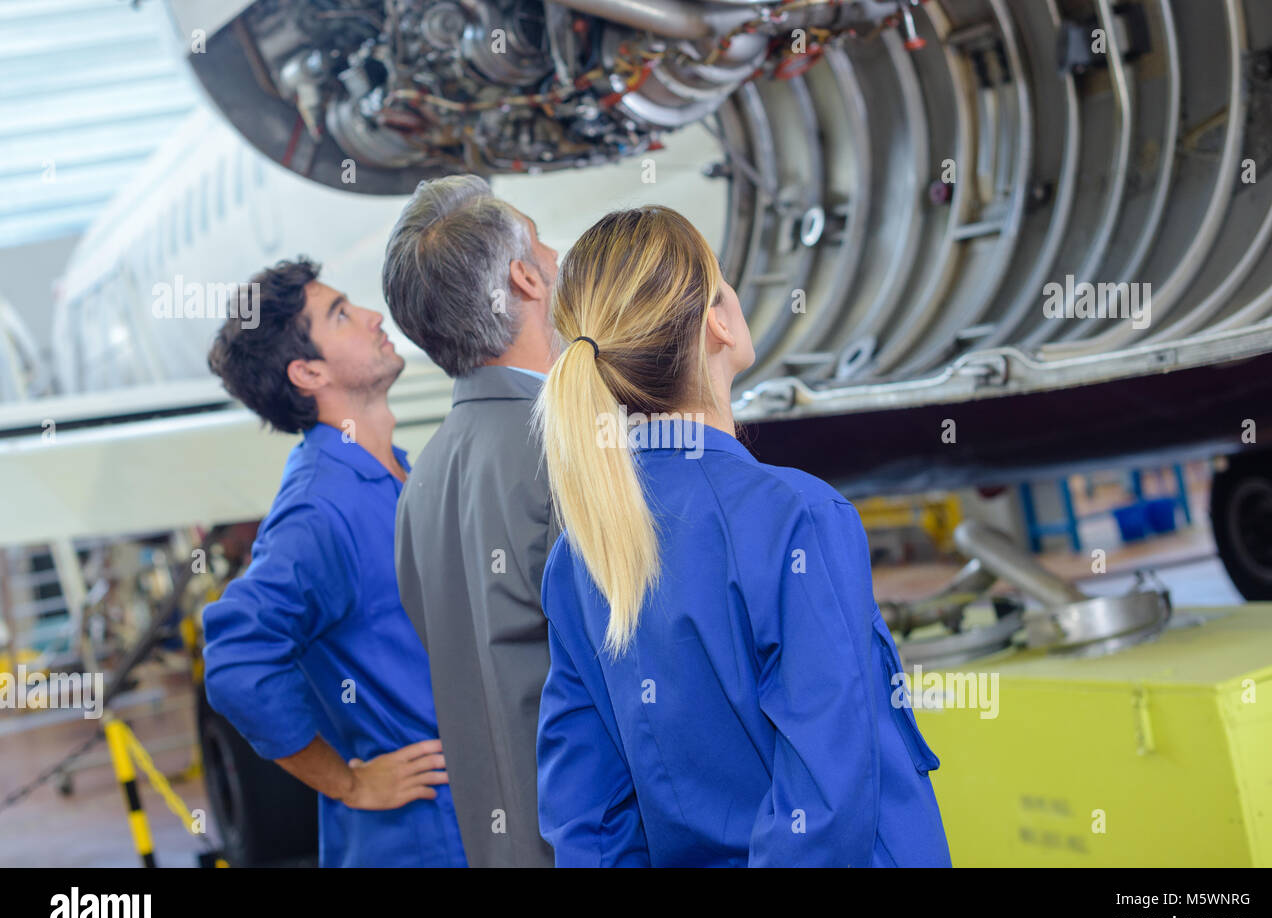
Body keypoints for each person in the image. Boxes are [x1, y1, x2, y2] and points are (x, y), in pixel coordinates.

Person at [533, 206, 952, 866]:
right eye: (723, 279)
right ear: (717, 324)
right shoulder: (795, 514)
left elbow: (586, 815)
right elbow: (828, 803)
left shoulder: (579, 554)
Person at [202, 258, 467, 868]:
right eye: (342, 314)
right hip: (421, 838)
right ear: (308, 371)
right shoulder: (320, 507)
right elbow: (238, 659)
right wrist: (349, 783)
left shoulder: (390, 472)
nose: (375, 317)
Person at [385, 175, 559, 867]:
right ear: (525, 278)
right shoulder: (570, 452)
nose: (557, 255)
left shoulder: (420, 484)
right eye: (543, 242)